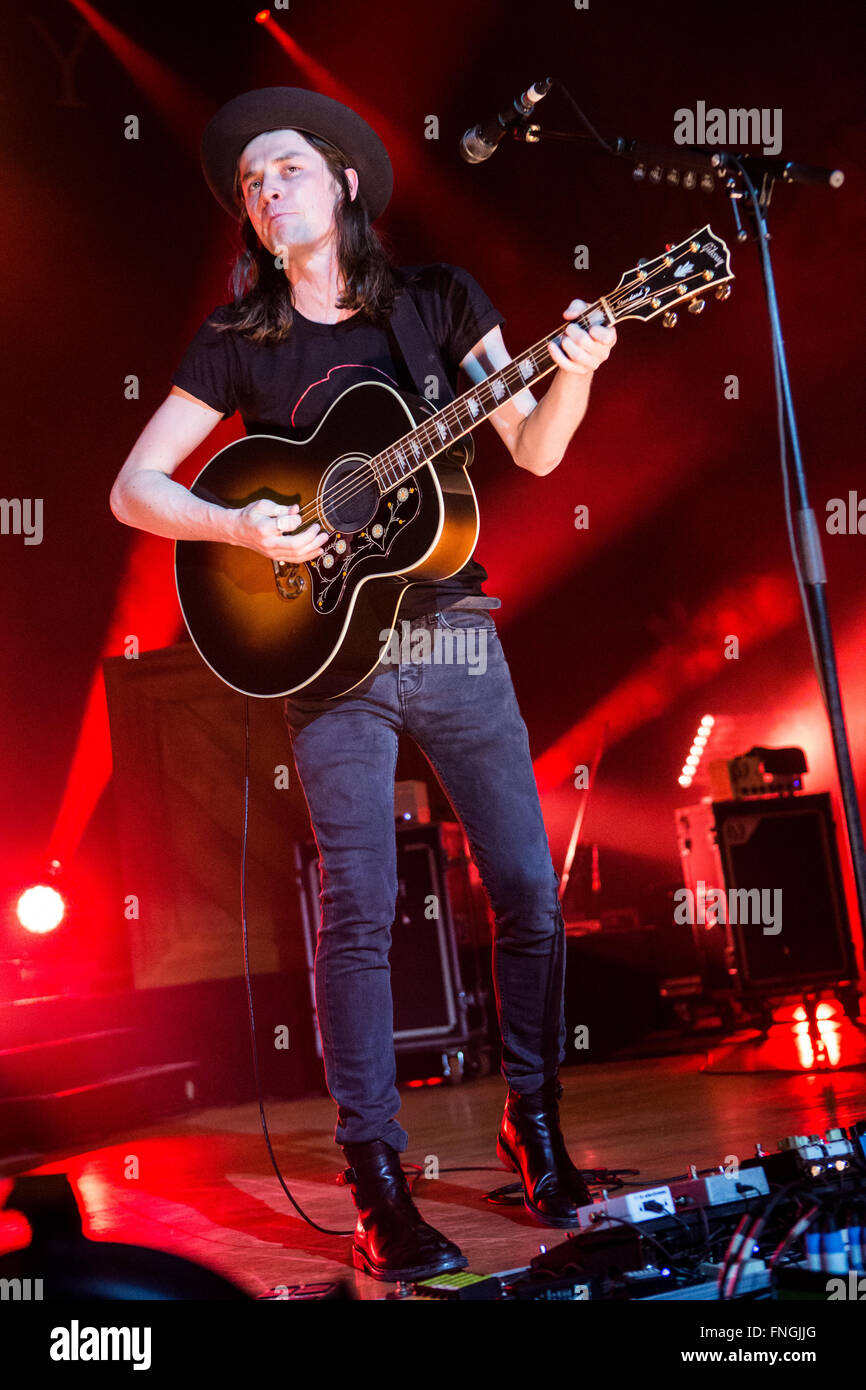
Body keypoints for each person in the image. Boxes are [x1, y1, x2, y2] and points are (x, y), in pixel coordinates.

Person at [110, 87, 616, 1284]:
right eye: (247, 183)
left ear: (340, 181)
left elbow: (533, 444)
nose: (262, 190)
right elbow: (135, 488)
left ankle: (533, 1121)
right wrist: (249, 534)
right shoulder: (238, 338)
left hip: (451, 636)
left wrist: (581, 366)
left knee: (530, 895)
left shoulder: (439, 303)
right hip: (327, 659)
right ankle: (375, 1179)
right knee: (358, 911)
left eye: (281, 169)